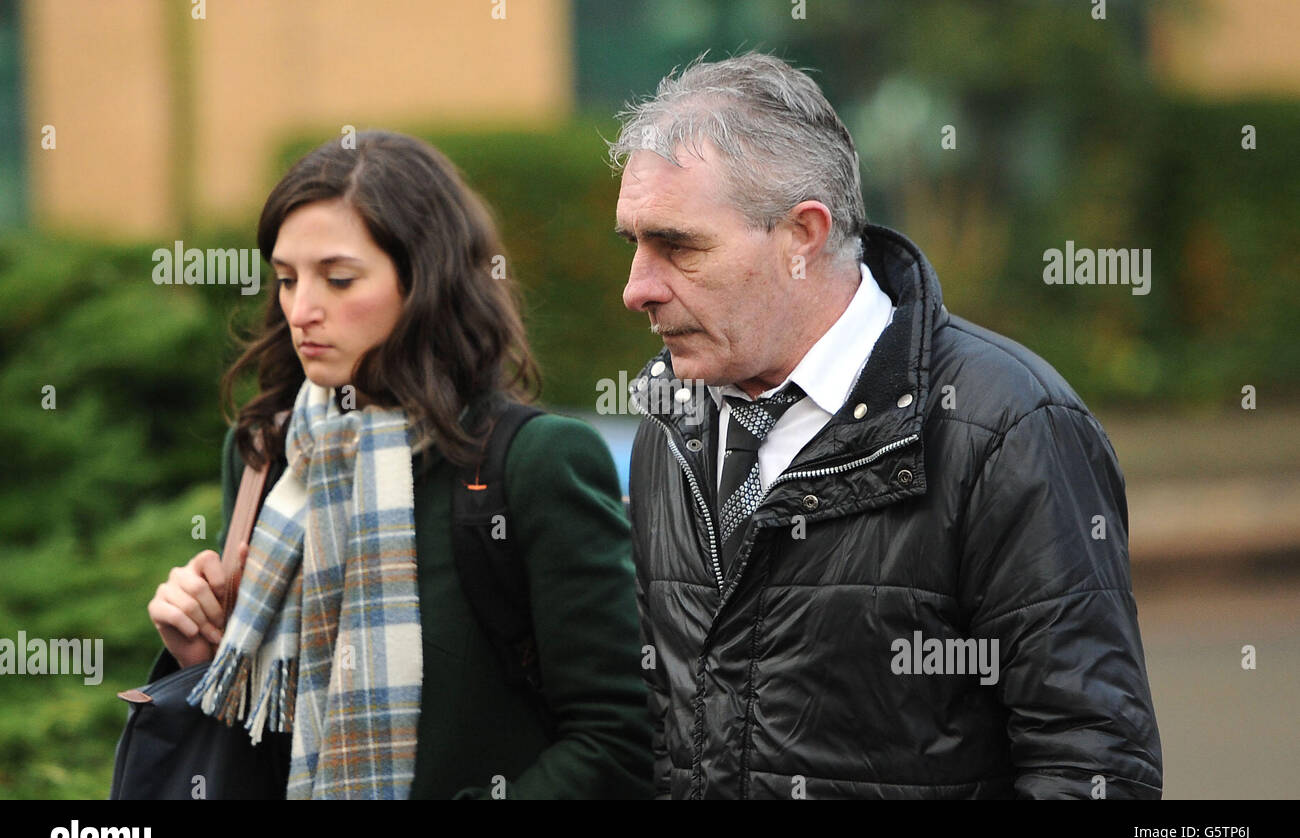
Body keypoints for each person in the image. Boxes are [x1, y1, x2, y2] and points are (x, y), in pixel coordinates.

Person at [610, 52, 1162, 799]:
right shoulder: (671, 421)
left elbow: (1091, 765)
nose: (636, 288)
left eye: (678, 246)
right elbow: (658, 732)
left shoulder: (1008, 425)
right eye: (634, 244)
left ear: (804, 236)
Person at [147, 130, 652, 799]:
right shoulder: (266, 457)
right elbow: (266, 748)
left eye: (339, 278)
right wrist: (203, 657)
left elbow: (619, 740)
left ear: (425, 281)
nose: (302, 311)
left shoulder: (535, 461)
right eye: (287, 280)